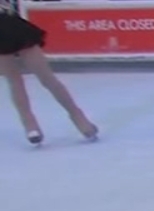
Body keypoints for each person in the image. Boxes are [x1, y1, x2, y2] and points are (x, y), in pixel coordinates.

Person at [0, 10, 98, 145]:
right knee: (14, 81)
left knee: (46, 78)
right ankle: (30, 125)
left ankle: (79, 117)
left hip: (12, 29)